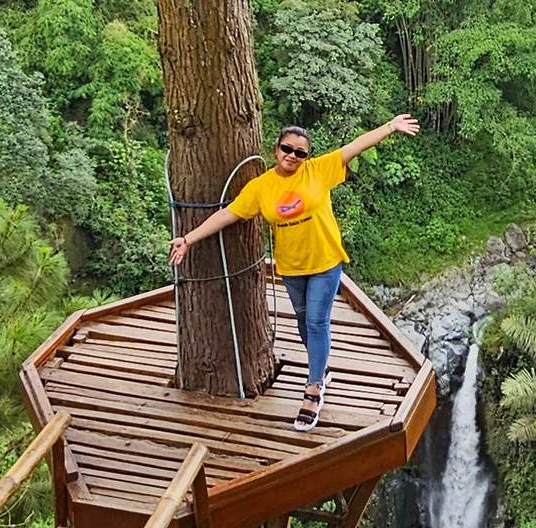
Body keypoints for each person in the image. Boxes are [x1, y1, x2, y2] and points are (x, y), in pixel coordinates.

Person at [169, 114, 421, 431]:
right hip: (291, 268)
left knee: (316, 321)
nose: (292, 156)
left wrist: (390, 127)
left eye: (300, 152)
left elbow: (355, 146)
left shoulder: (318, 170)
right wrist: (189, 239)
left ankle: (313, 389)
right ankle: (320, 366)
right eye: (287, 149)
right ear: (276, 149)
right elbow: (228, 214)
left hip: (325, 263)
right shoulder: (261, 187)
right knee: (304, 322)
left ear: (307, 155)